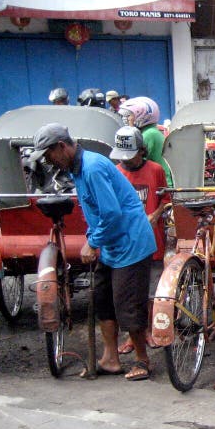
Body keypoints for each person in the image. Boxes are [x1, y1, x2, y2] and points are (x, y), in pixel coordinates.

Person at [29, 123, 157, 381]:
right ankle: (110, 358)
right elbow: (95, 211)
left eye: (49, 154)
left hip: (131, 243)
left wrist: (93, 241)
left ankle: (142, 360)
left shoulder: (92, 167)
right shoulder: (77, 169)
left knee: (128, 306)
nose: (48, 161)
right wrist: (93, 237)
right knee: (102, 301)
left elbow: (111, 212)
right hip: (112, 243)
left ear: (61, 147)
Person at [110, 126, 169, 355]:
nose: (128, 160)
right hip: (126, 244)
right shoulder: (116, 172)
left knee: (151, 291)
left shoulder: (155, 170)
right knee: (129, 295)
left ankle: (148, 331)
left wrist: (155, 215)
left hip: (152, 241)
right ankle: (133, 336)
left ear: (141, 151)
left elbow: (165, 198)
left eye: (132, 154)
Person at [118, 96, 173, 186]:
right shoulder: (152, 131)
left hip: (160, 184)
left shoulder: (148, 135)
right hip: (157, 181)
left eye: (130, 115)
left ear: (142, 115)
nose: (127, 119)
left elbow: (135, 160)